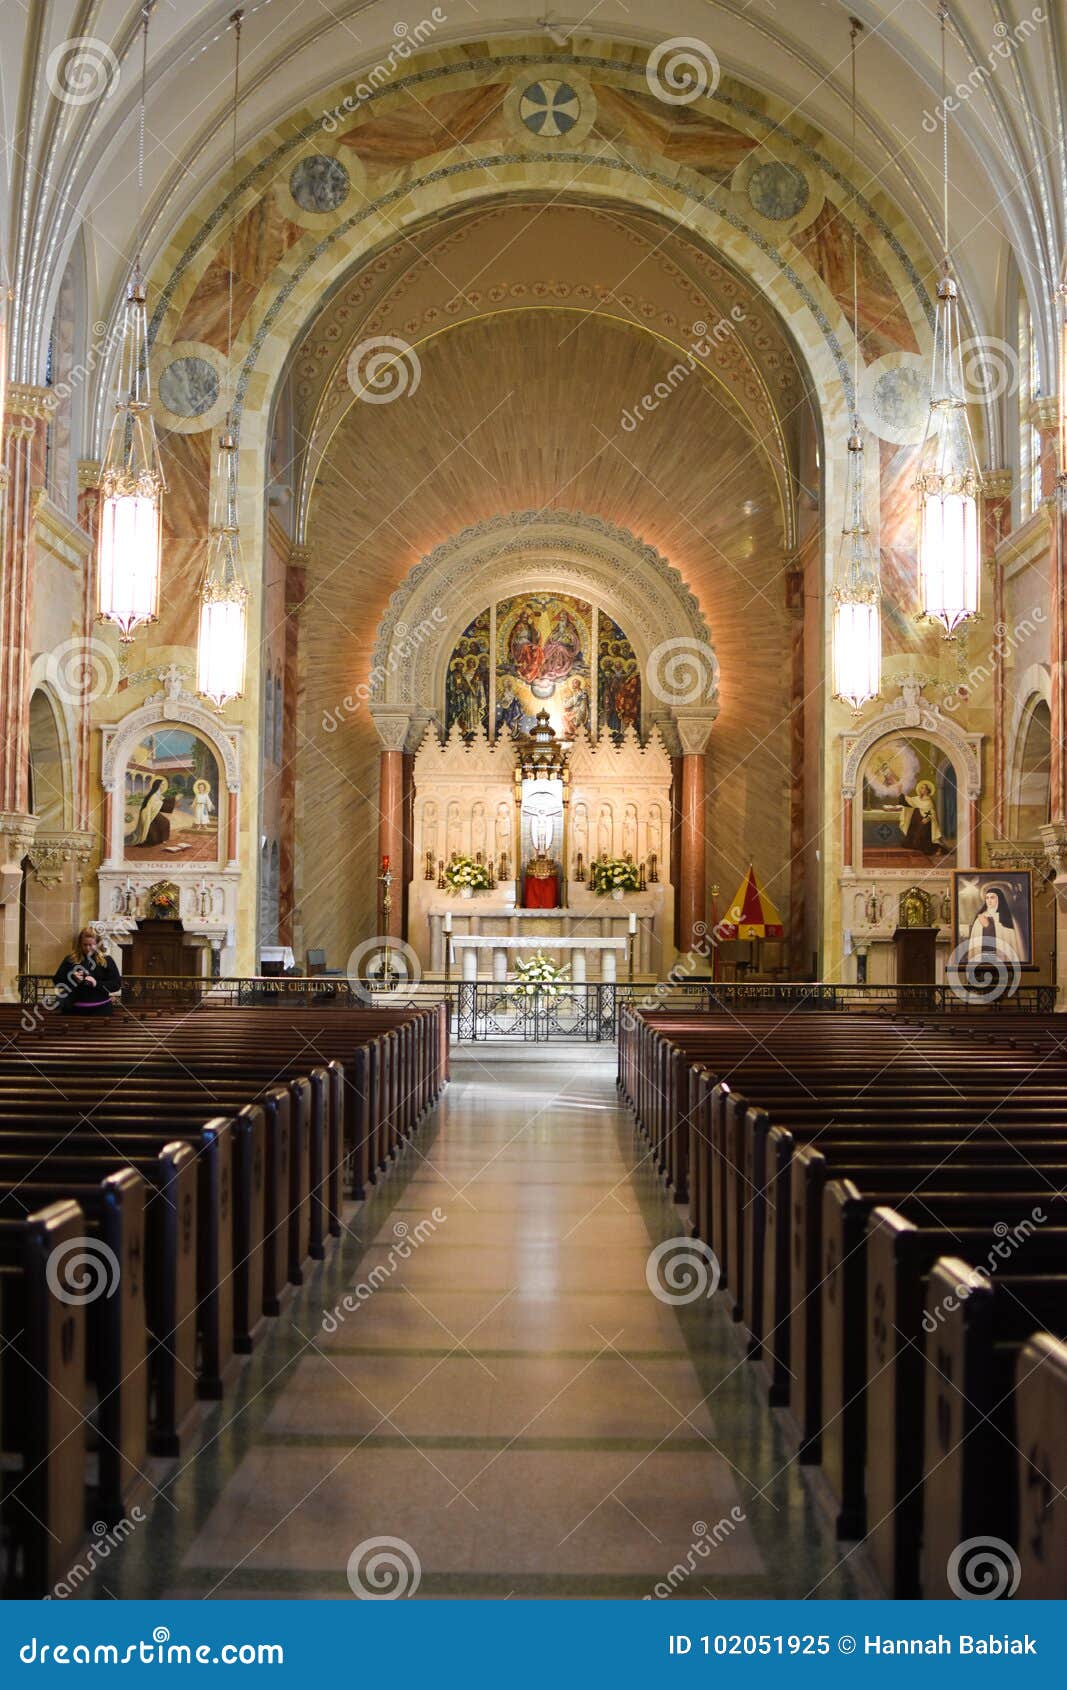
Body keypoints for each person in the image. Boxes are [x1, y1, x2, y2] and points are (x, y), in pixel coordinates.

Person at [52, 928, 122, 1016]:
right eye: (85, 945)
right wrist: (72, 978)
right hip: (74, 1010)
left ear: (97, 944)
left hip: (101, 1010)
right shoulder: (70, 959)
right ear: (80, 944)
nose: (88, 948)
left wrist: (96, 983)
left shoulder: (107, 960)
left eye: (91, 945)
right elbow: (57, 980)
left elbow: (116, 984)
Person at [967, 886, 1020, 965]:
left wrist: (988, 926)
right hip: (982, 963)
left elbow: (1011, 943)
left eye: (992, 897)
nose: (989, 901)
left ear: (999, 899)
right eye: (987, 898)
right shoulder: (980, 919)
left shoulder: (1006, 919)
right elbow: (975, 944)